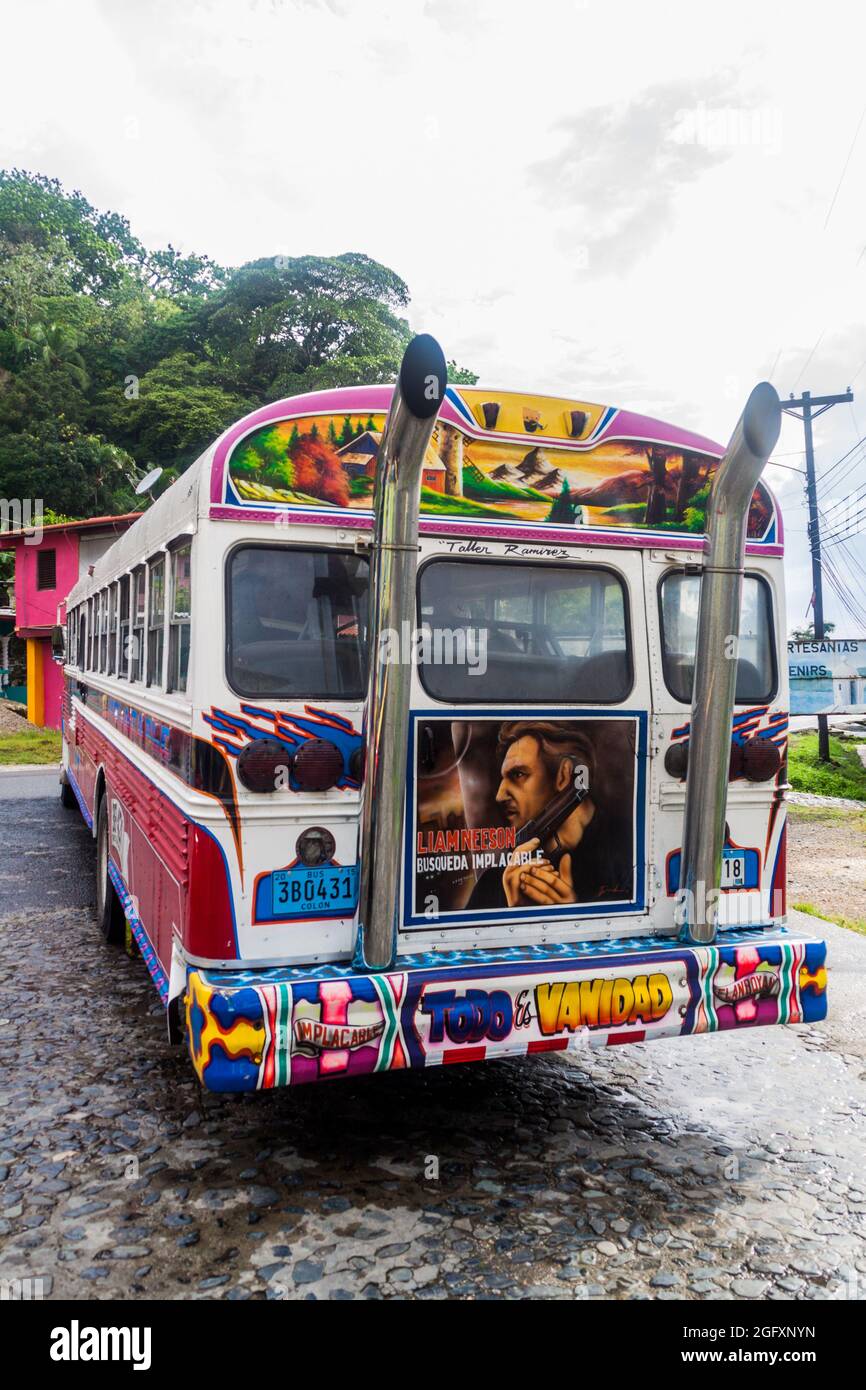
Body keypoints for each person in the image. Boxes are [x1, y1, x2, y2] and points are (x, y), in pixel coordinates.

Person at [467, 720, 630, 910]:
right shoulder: (497, 882)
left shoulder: (627, 853)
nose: (499, 795)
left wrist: (572, 915)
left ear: (563, 775)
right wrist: (515, 911)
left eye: (518, 774)